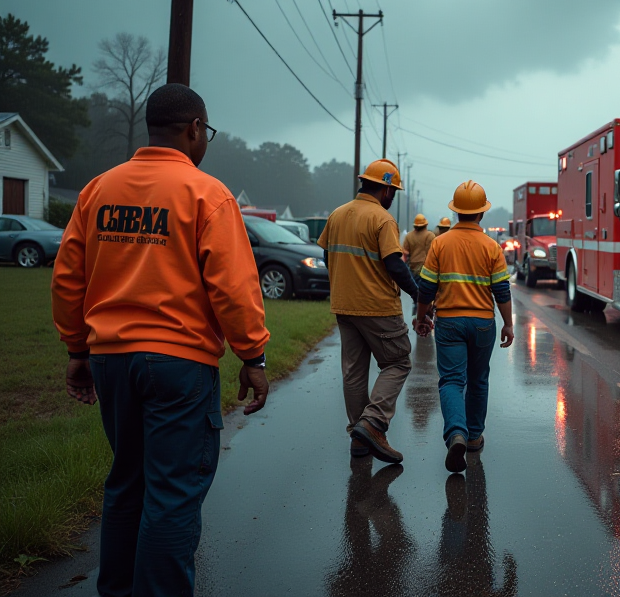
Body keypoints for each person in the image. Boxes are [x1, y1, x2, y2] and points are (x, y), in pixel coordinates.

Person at [52, 83, 271, 597]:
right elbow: (233, 287)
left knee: (126, 482)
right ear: (194, 129)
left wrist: (77, 350)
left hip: (110, 360)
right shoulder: (207, 194)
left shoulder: (98, 190)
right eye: (206, 131)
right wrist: (253, 355)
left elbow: (67, 279)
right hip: (179, 364)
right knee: (172, 493)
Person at [318, 159, 419, 463]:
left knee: (354, 370)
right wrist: (418, 294)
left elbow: (327, 255)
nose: (393, 197)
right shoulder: (382, 219)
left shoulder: (337, 214)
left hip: (344, 305)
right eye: (393, 191)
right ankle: (373, 423)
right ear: (386, 189)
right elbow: (394, 265)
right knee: (398, 362)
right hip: (377, 306)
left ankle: (358, 438)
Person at [415, 181, 514, 473]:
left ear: (456, 212)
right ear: (482, 213)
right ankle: (473, 437)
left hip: (449, 323)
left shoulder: (440, 243)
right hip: (483, 323)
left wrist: (421, 317)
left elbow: (426, 287)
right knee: (478, 380)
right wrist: (508, 324)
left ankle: (456, 433)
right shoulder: (492, 246)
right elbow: (502, 291)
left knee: (451, 381)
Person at [402, 213, 436, 315]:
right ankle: (425, 310)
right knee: (426, 292)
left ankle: (417, 307)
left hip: (413, 269)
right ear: (425, 225)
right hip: (427, 269)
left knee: (416, 291)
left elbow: (405, 255)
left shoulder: (409, 236)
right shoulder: (430, 236)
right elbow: (433, 254)